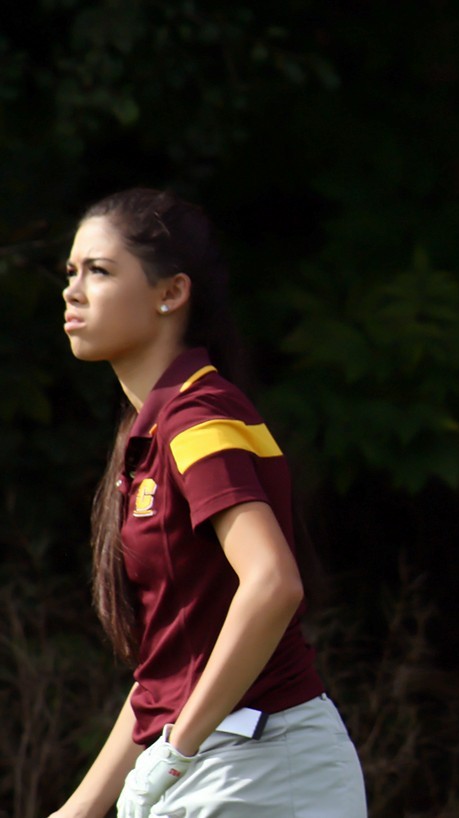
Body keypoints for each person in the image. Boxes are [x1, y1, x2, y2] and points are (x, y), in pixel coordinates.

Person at [49, 189, 365, 818]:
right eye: (71, 272)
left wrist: (176, 752)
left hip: (261, 765)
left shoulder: (197, 417)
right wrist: (81, 808)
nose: (73, 291)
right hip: (214, 763)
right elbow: (164, 676)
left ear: (172, 293)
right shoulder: (153, 427)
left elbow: (273, 584)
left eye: (100, 271)